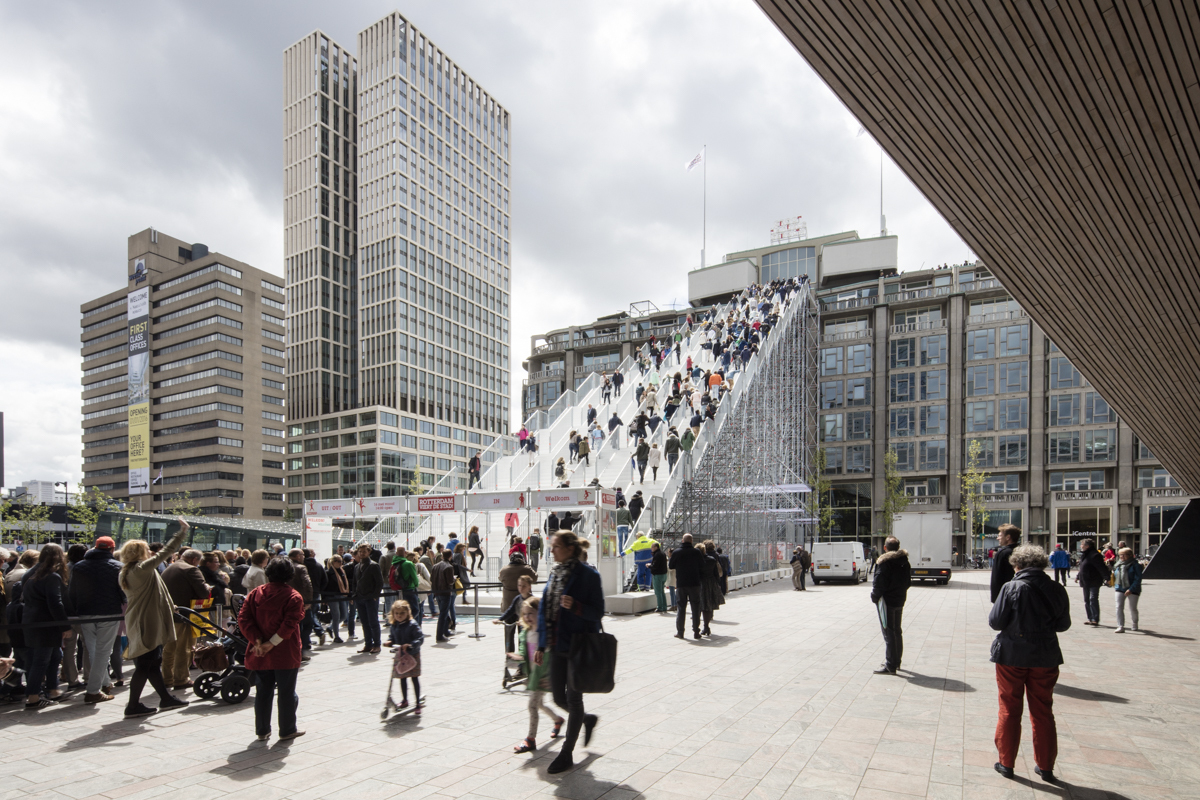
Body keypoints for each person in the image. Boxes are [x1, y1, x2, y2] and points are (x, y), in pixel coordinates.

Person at [989, 544, 1070, 784]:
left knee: (1009, 708)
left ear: (1017, 565)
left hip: (1012, 655)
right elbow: (1063, 624)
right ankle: (1045, 766)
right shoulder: (1056, 589)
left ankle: (1006, 762)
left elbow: (995, 621)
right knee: (1043, 710)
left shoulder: (1011, 587)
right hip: (1045, 655)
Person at [535, 531, 603, 774]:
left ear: (570, 548)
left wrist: (576, 607)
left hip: (578, 646)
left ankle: (566, 754)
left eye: (556, 547)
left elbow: (598, 612)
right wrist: (541, 644)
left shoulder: (588, 575)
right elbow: (543, 611)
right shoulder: (554, 573)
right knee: (557, 697)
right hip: (555, 645)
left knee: (574, 700)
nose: (552, 551)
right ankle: (586, 719)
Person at [119, 520, 192, 718]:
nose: (150, 553)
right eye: (146, 550)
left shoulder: (126, 572)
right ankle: (132, 705)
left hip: (142, 622)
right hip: (147, 624)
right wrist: (182, 532)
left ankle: (165, 699)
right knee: (145, 666)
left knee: (151, 663)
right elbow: (166, 552)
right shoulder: (141, 569)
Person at [239, 556, 305, 741]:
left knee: (263, 692)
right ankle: (287, 729)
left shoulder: (255, 594)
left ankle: (262, 730)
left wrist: (257, 641)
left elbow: (244, 619)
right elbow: (289, 624)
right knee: (286, 692)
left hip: (260, 650)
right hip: (285, 651)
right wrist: (271, 643)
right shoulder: (293, 596)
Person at [68, 536, 125, 703]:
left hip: (85, 613)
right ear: (112, 549)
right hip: (109, 612)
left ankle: (105, 682)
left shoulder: (79, 566)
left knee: (93, 649)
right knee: (102, 651)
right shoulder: (117, 566)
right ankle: (93, 690)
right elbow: (122, 592)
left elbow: (72, 592)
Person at [20, 544, 70, 709]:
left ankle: (53, 689)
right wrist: (65, 626)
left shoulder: (30, 574)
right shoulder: (51, 577)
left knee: (54, 656)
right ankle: (33, 696)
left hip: (31, 621)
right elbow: (55, 603)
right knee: (41, 660)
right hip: (46, 624)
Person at [513, 597, 564, 754]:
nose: (528, 617)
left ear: (540, 613)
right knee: (539, 704)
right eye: (525, 613)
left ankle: (530, 739)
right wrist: (517, 656)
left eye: (531, 613)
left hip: (541, 675)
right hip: (533, 674)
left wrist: (548, 676)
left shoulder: (543, 633)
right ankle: (558, 720)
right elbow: (524, 652)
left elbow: (549, 656)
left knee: (532, 705)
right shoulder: (526, 632)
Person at [161, 548, 213, 689]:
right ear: (194, 560)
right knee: (184, 648)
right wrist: (207, 587)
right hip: (185, 615)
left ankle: (167, 677)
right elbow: (202, 592)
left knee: (169, 648)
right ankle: (181, 679)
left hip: (170, 613)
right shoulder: (191, 570)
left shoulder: (170, 568)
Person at [870, 536, 911, 675]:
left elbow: (879, 582)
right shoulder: (904, 562)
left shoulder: (884, 562)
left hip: (886, 602)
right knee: (897, 631)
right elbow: (908, 582)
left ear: (885, 548)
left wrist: (874, 597)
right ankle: (896, 661)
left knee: (889, 632)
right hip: (899, 600)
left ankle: (890, 665)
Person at [670, 534, 706, 640]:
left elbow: (671, 566)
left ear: (682, 540)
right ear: (691, 541)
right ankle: (696, 631)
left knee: (681, 608)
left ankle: (680, 632)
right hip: (694, 583)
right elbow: (702, 566)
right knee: (695, 607)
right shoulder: (696, 552)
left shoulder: (676, 552)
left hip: (681, 584)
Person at [352, 545, 383, 655]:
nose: (362, 553)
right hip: (360, 598)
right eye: (360, 552)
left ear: (369, 552)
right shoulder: (357, 566)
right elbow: (355, 582)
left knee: (373, 622)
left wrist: (375, 595)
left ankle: (377, 644)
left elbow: (379, 582)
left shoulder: (374, 565)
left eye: (364, 552)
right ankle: (368, 644)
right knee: (364, 622)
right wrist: (354, 595)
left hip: (370, 598)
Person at [1074, 539, 1109, 626]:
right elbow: (1083, 567)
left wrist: (1107, 577)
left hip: (1094, 580)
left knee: (1093, 599)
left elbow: (1102, 567)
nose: (1081, 546)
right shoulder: (1085, 555)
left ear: (1087, 546)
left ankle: (1095, 619)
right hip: (1085, 580)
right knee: (1086, 600)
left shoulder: (1095, 555)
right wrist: (1078, 576)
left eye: (1082, 544)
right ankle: (1090, 618)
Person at [1113, 547, 1142, 633]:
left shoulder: (1136, 565)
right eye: (1120, 555)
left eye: (1124, 555)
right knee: (1118, 607)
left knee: (1132, 608)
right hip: (1119, 588)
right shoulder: (1118, 564)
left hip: (1133, 589)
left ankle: (1134, 623)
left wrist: (1131, 589)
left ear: (1130, 555)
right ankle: (1120, 626)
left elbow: (1138, 579)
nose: (1121, 557)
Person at [430, 551, 456, 643]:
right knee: (443, 614)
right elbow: (450, 581)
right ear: (450, 556)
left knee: (443, 612)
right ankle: (440, 635)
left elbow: (431, 579)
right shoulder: (449, 567)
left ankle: (445, 631)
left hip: (437, 592)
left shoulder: (435, 566)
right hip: (445, 592)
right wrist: (454, 579)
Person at [990, 524, 1020, 603]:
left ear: (1008, 537)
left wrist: (995, 599)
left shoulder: (1002, 554)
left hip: (1005, 597)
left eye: (1000, 536)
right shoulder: (1022, 551)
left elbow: (997, 578)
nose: (998, 538)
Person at [700, 541, 725, 636]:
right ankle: (709, 618)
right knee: (710, 601)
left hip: (702, 583)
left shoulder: (700, 559)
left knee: (702, 604)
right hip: (711, 582)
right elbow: (717, 571)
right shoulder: (715, 556)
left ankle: (701, 626)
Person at [325, 555, 349, 643]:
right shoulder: (328, 572)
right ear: (333, 562)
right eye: (338, 561)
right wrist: (325, 599)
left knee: (344, 615)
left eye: (341, 561)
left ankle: (330, 628)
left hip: (342, 595)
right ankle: (337, 636)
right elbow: (325, 586)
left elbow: (346, 583)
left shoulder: (342, 571)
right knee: (336, 616)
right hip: (332, 596)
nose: (340, 563)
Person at [649, 543, 669, 613]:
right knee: (662, 592)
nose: (651, 548)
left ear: (656, 547)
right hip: (664, 574)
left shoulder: (657, 555)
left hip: (658, 575)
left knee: (658, 592)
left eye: (652, 547)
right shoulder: (663, 553)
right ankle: (664, 607)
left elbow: (655, 566)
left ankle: (660, 607)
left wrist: (649, 566)